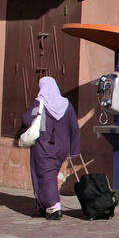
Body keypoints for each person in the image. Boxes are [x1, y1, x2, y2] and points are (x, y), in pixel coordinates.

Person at [21, 75, 81, 220]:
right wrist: (74, 150)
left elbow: (27, 120)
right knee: (48, 175)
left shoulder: (39, 103)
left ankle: (55, 207)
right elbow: (74, 127)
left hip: (44, 146)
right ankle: (41, 204)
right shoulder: (66, 104)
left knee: (45, 176)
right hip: (62, 148)